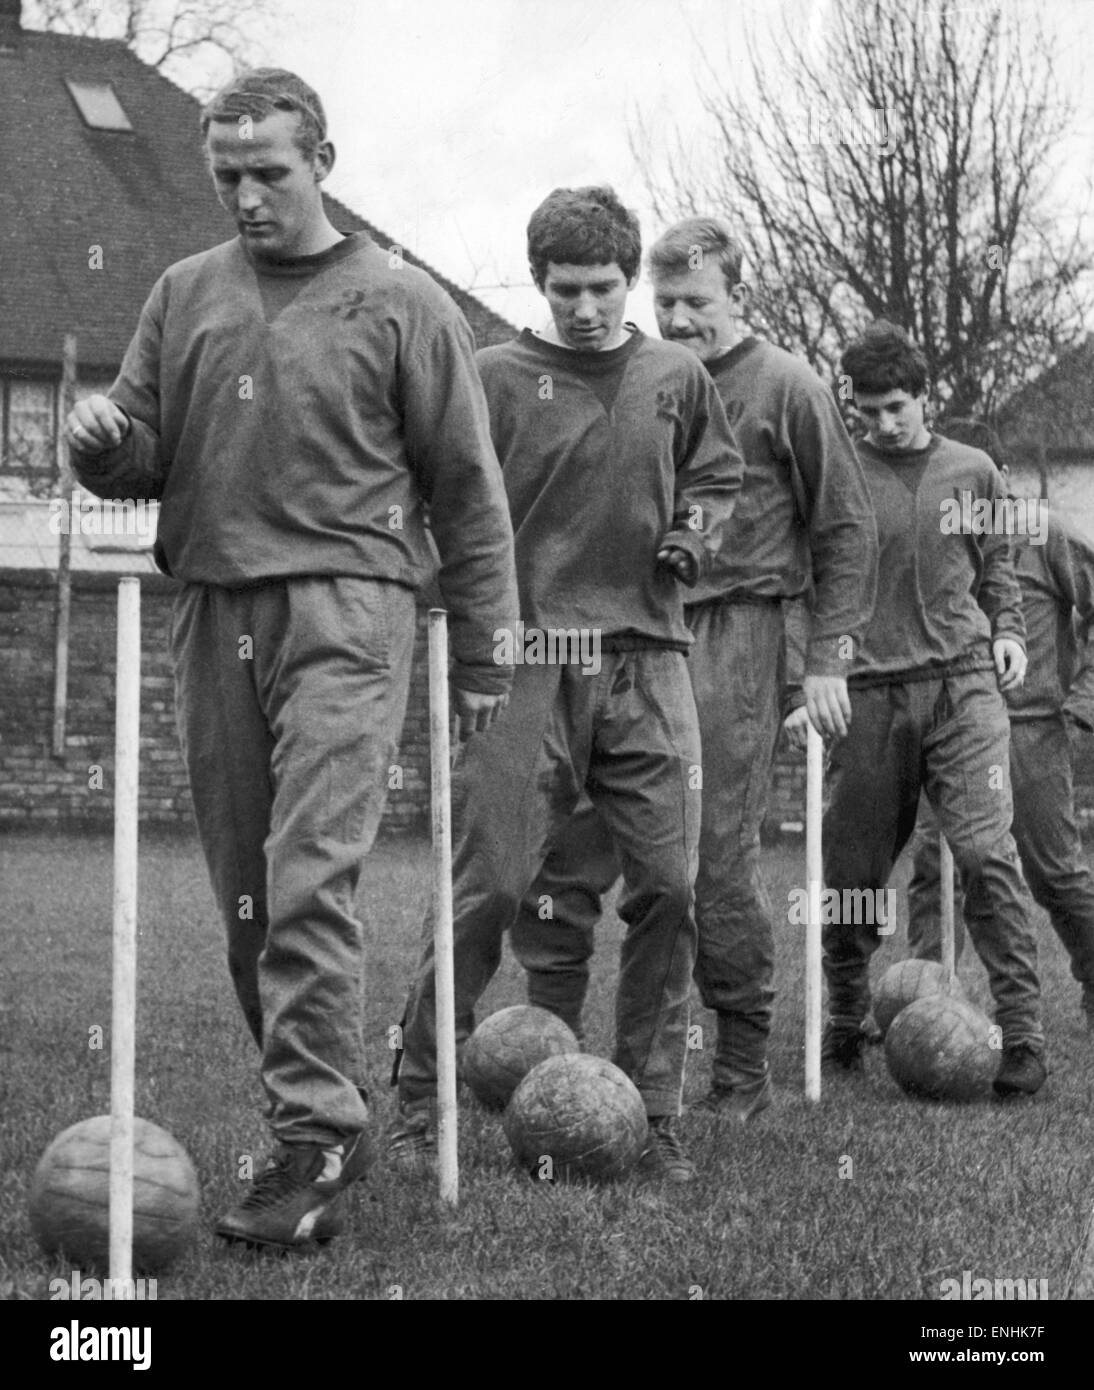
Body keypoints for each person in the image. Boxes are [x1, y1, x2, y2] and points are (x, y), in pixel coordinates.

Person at [64, 69, 518, 1249]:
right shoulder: (183, 291)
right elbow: (143, 453)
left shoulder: (402, 300)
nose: (247, 195)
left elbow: (467, 488)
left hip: (349, 612)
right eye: (227, 174)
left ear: (323, 159)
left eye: (268, 170)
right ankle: (321, 1106)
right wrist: (101, 445)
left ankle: (312, 1135)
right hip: (214, 605)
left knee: (310, 874)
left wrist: (485, 651)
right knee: (248, 899)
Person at [390, 188, 744, 1182]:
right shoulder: (493, 378)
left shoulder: (676, 375)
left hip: (647, 659)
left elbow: (718, 478)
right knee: (488, 888)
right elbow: (436, 500)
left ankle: (652, 1108)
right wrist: (460, 609)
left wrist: (694, 534)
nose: (585, 308)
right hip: (528, 663)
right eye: (565, 290)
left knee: (671, 886)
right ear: (538, 283)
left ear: (629, 281)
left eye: (602, 288)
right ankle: (417, 1095)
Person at [508, 216, 878, 1120]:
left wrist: (827, 660)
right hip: (613, 636)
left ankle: (741, 1067)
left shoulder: (788, 386)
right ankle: (550, 1054)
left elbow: (845, 526)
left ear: (738, 296)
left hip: (735, 635)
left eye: (698, 303)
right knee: (566, 847)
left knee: (709, 859)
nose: (679, 319)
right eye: (665, 301)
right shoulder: (643, 375)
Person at [798, 321, 1046, 1096]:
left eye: (896, 407)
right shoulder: (836, 475)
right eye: (868, 410)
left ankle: (1023, 1034)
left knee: (985, 853)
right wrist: (805, 682)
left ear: (925, 396)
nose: (883, 423)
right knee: (855, 872)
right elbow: (809, 585)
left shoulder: (974, 471)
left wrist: (1009, 631)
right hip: (867, 694)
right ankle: (845, 1016)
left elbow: (1000, 566)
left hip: (963, 683)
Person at [903, 427, 1094, 1032]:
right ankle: (927, 1004)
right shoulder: (936, 538)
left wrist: (1083, 701)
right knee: (936, 871)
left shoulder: (1046, 532)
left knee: (1053, 874)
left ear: (1002, 477)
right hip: (953, 728)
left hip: (1030, 730)